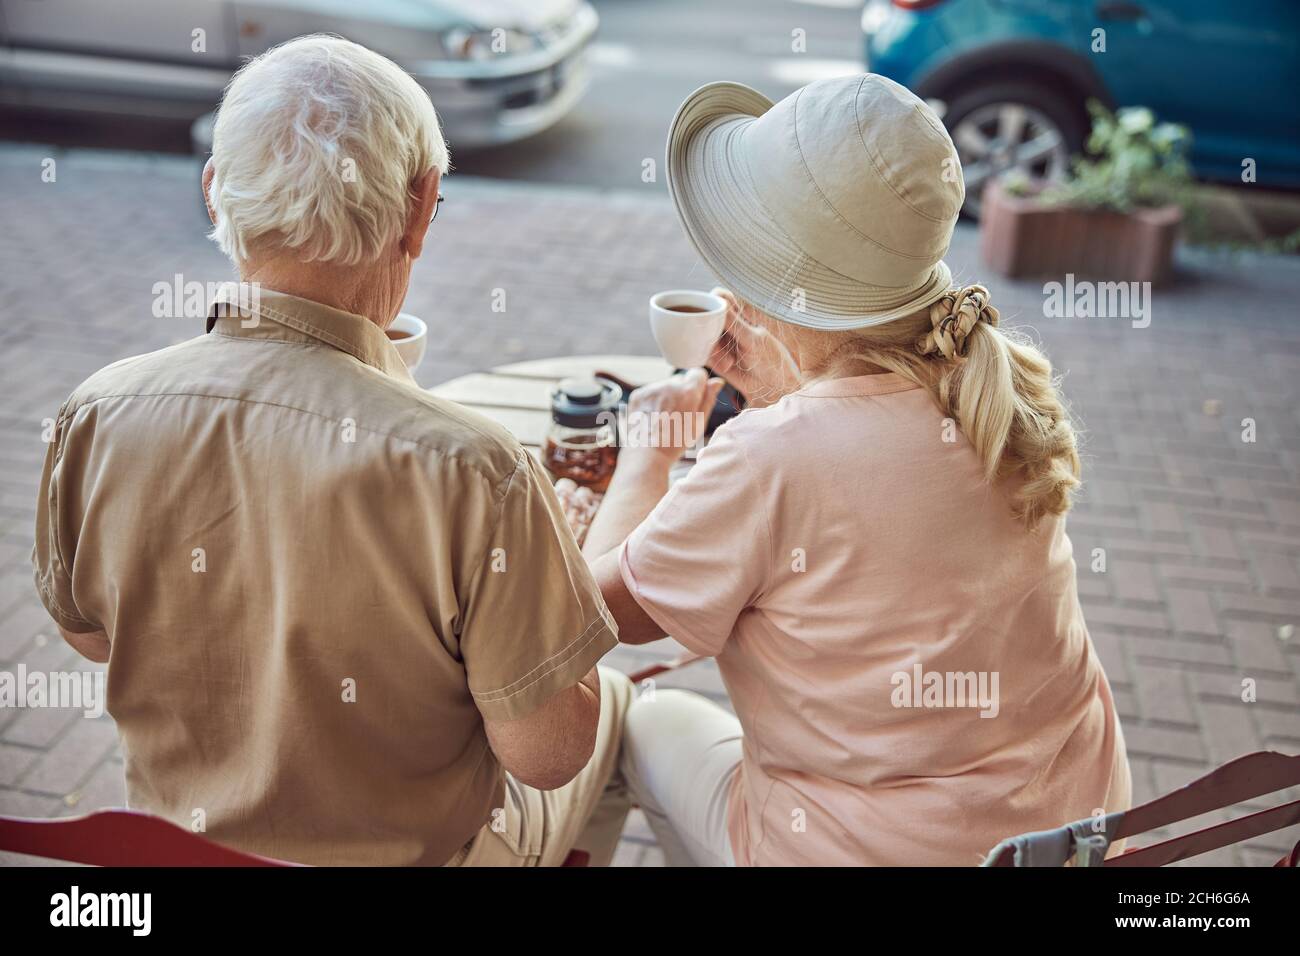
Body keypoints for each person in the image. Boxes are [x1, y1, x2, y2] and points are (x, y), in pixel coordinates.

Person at [32, 35, 632, 867]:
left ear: (216, 196)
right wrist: (544, 574)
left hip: (174, 856)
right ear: (420, 210)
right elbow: (549, 754)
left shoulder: (92, 415)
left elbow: (93, 637)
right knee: (627, 713)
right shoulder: (478, 470)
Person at [574, 75, 1131, 866]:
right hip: (1071, 830)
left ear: (773, 284)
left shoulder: (773, 458)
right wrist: (787, 393)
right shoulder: (996, 380)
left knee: (639, 720)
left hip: (867, 854)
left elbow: (596, 617)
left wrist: (651, 443)